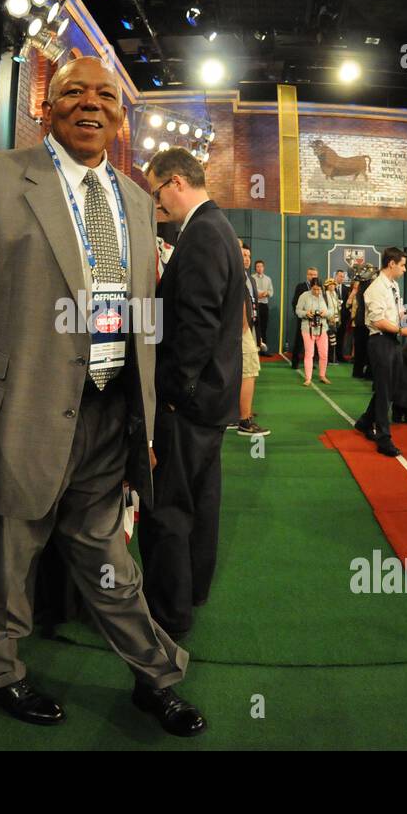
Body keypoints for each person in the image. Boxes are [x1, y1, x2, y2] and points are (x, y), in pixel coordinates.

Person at [0, 55, 204, 737]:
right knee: (1, 565)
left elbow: (141, 321)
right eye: (74, 91)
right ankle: (0, 673)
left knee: (110, 562)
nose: (91, 104)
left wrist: (147, 419)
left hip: (107, 417)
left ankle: (156, 676)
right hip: (12, 422)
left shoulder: (135, 199)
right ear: (46, 105)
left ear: (122, 118)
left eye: (107, 95)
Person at [138, 147, 244, 643]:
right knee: (203, 504)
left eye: (157, 193)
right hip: (213, 401)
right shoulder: (218, 227)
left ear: (176, 182)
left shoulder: (200, 233)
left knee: (169, 511)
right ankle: (193, 592)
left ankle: (168, 613)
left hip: (190, 402)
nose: (157, 205)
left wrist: (174, 394)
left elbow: (197, 327)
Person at [354, 248, 407, 458]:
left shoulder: (394, 286)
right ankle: (383, 437)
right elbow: (377, 321)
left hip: (392, 340)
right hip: (379, 341)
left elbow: (395, 314)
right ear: (391, 263)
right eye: (402, 265)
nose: (404, 269)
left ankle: (365, 421)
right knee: (384, 388)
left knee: (390, 386)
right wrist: (402, 330)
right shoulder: (375, 288)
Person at [236, 244, 269, 436]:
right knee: (249, 369)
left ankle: (239, 413)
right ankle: (244, 420)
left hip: (249, 326)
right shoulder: (237, 274)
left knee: (242, 371)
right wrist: (243, 327)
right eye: (243, 254)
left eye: (249, 255)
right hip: (240, 329)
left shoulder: (248, 277)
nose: (247, 258)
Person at [297, 279, 331, 385]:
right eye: (314, 289)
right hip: (308, 328)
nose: (317, 291)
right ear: (310, 287)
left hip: (323, 328)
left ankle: (322, 375)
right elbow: (298, 310)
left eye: (319, 289)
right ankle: (308, 378)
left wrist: (324, 313)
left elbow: (332, 311)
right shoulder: (304, 296)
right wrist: (306, 313)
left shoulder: (326, 295)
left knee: (324, 354)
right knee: (309, 354)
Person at [290, 267, 318, 370]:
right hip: (303, 318)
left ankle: (311, 362)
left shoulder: (318, 287)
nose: (313, 276)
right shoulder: (301, 287)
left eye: (315, 275)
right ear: (307, 275)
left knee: (313, 340)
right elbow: (295, 302)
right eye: (311, 274)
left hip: (315, 319)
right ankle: (295, 362)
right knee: (299, 340)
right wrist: (300, 314)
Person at [251, 259, 273, 354]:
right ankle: (254, 349)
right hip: (254, 305)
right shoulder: (252, 278)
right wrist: (257, 294)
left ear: (264, 268)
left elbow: (271, 292)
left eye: (261, 266)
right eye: (257, 266)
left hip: (264, 305)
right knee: (255, 327)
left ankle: (264, 350)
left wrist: (266, 294)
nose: (259, 268)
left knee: (264, 327)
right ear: (255, 268)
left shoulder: (268, 279)